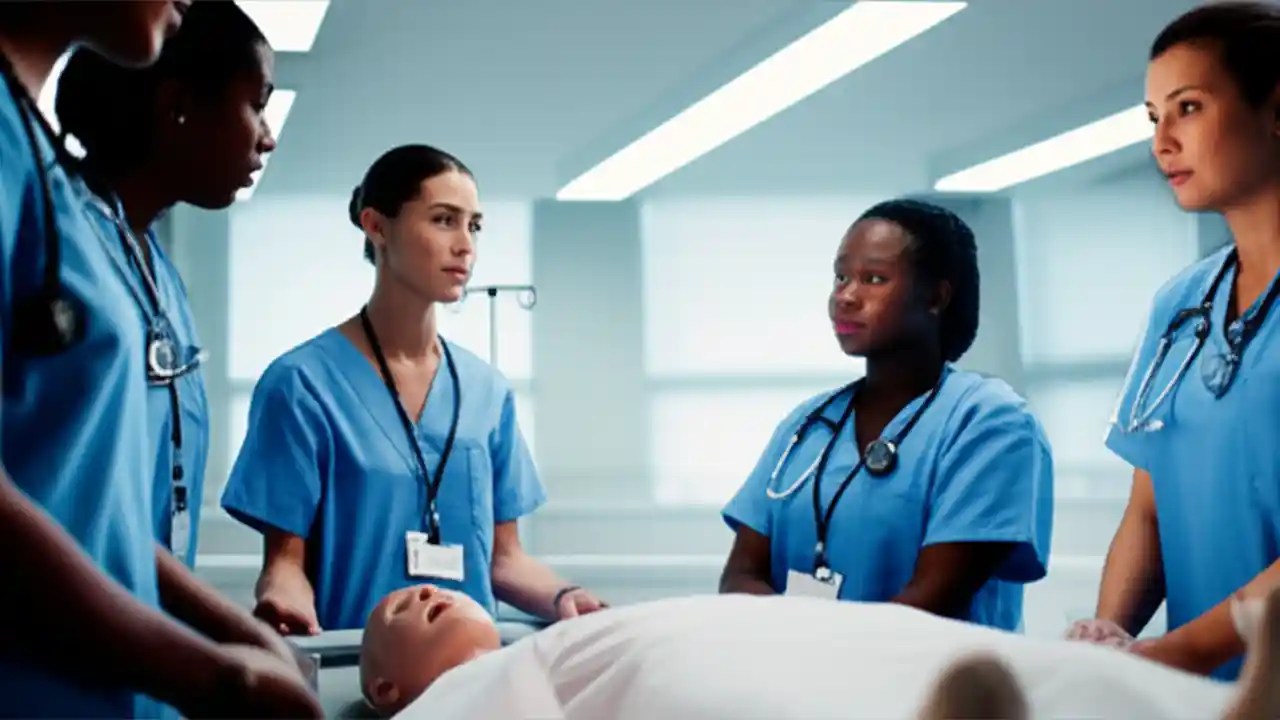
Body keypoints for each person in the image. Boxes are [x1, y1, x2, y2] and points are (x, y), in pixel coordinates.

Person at [0, 1, 319, 717]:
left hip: (114, 680)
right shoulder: (40, 185)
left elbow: (97, 520)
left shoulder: (58, 184)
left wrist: (226, 636)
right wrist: (212, 673)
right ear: (175, 106)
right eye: (254, 106)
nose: (184, 6)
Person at [221, 144, 606, 636]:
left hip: (474, 676)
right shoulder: (302, 385)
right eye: (444, 220)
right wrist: (281, 596)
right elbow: (285, 563)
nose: (465, 244)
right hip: (353, 669)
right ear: (377, 226)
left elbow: (505, 561)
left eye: (475, 225)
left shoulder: (486, 393)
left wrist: (565, 596)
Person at [1066, 1, 1280, 680]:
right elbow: (1148, 508)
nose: (1162, 142)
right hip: (1198, 695)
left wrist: (1178, 653)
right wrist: (1110, 646)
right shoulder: (1180, 305)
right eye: (1155, 118)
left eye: (1187, 108)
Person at [718, 198, 1053, 631]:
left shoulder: (990, 424)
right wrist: (802, 653)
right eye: (841, 277)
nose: (846, 296)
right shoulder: (807, 426)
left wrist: (810, 643)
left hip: (937, 691)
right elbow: (739, 577)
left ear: (935, 297)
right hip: (799, 681)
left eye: (873, 279)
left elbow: (933, 605)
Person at [54, 0, 277, 567]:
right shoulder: (61, 236)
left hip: (139, 619)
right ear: (178, 106)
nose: (267, 138)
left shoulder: (161, 280)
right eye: (256, 105)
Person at [358, 586, 1244, 720]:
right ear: (389, 688)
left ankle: (1222, 709)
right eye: (402, 606)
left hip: (745, 625)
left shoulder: (564, 629)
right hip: (666, 676)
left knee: (895, 642)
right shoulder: (451, 698)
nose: (427, 591)